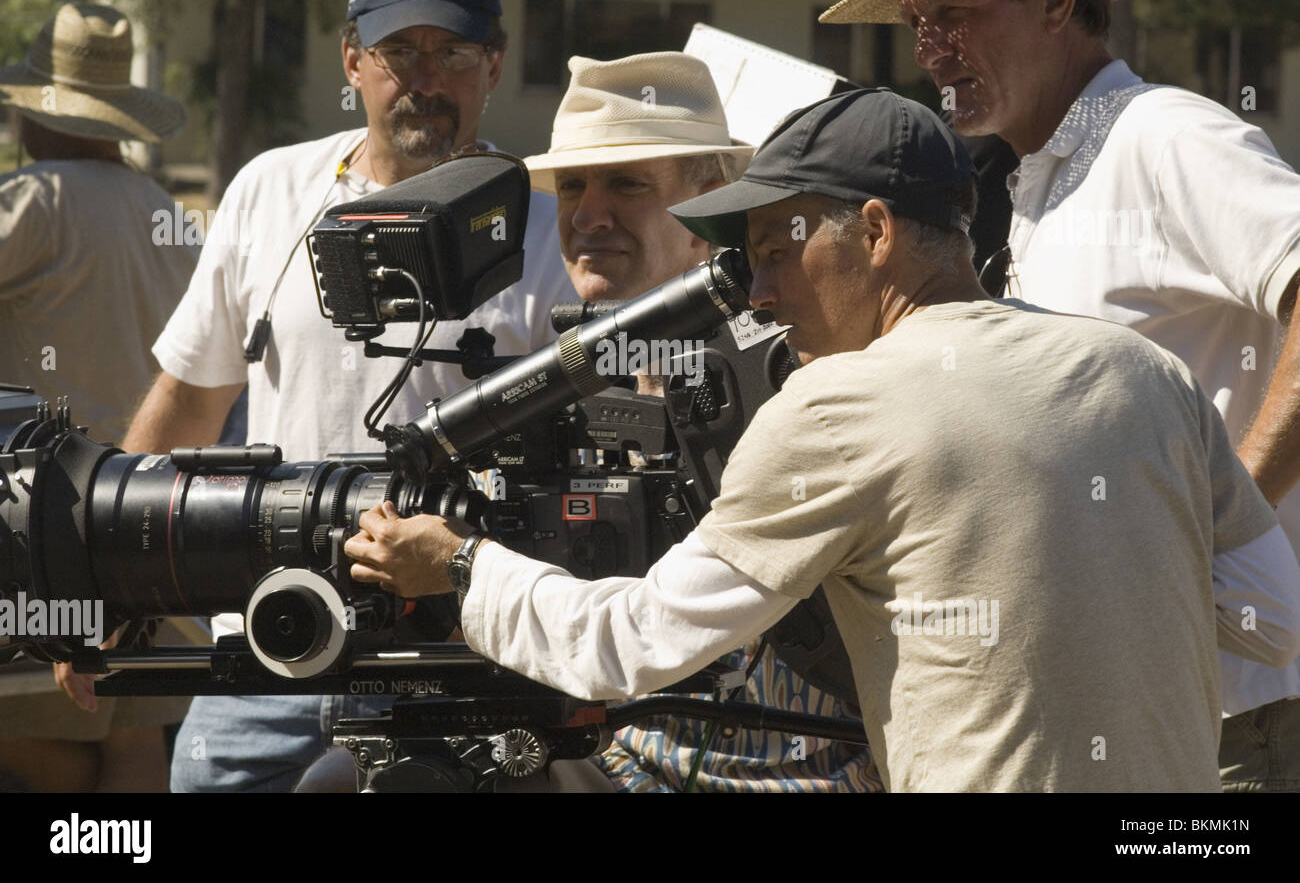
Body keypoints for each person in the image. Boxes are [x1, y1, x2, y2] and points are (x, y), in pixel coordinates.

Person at [346, 88, 1300, 792]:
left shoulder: (838, 403)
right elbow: (1273, 614)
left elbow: (631, 644)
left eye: (772, 250)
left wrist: (462, 567)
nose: (757, 292)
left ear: (876, 231)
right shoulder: (1146, 374)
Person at [53, 0, 577, 793]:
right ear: (351, 58)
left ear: (495, 62)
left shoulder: (545, 233)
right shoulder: (268, 192)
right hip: (266, 636)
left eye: (452, 51)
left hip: (454, 657)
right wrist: (109, 580)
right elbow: (188, 397)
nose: (425, 76)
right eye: (398, 50)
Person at [819, 0, 1300, 791]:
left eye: (954, 14)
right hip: (1146, 719)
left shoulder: (1165, 136)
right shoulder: (1027, 184)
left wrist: (1218, 529)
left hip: (1235, 723)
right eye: (918, 21)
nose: (930, 47)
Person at [521, 50, 883, 791]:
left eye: (627, 184)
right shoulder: (555, 380)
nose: (589, 214)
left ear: (711, 206)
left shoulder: (803, 368)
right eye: (571, 188)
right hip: (620, 767)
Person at [0, 1, 196, 790]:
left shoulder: (36, 200)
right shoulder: (164, 213)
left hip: (41, 535)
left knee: (41, 752)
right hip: (157, 533)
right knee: (134, 743)